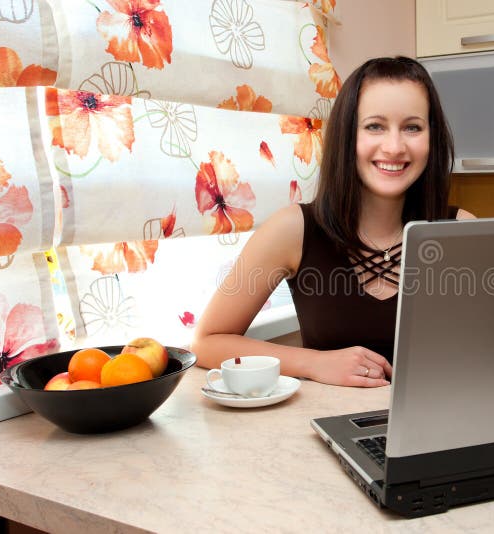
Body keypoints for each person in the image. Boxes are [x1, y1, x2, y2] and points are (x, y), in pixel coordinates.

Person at [191, 56, 475, 387]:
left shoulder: (462, 230)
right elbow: (207, 342)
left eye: (412, 127)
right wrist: (313, 363)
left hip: (439, 416)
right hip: (329, 419)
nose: (394, 146)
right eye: (374, 126)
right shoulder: (292, 229)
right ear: (346, 135)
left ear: (432, 138)